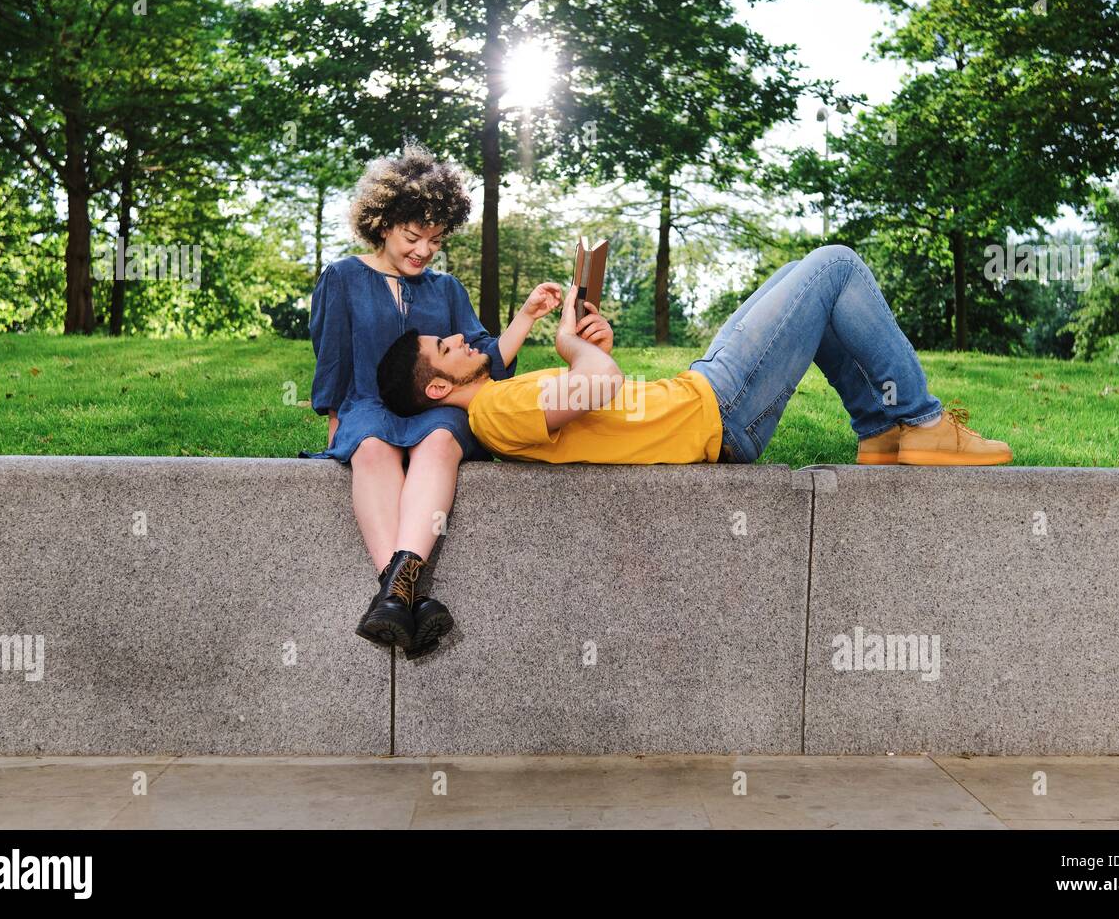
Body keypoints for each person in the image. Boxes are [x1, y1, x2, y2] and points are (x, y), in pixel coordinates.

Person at [374, 244, 1013, 471]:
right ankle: (925, 424)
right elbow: (594, 391)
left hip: (704, 395)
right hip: (716, 407)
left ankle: (881, 432)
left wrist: (594, 350)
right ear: (435, 389)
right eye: (444, 348)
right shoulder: (494, 413)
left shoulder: (503, 404)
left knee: (805, 283)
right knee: (834, 265)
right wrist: (571, 348)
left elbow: (602, 392)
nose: (459, 339)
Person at [298, 142, 562, 658]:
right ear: (381, 222)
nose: (423, 250)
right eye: (412, 236)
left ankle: (393, 599)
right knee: (371, 447)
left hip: (437, 408)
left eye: (435, 240)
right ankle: (407, 599)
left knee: (441, 441)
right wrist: (336, 426)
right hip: (368, 403)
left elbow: (486, 357)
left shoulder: (446, 289)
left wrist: (527, 316)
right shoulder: (343, 277)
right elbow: (331, 357)